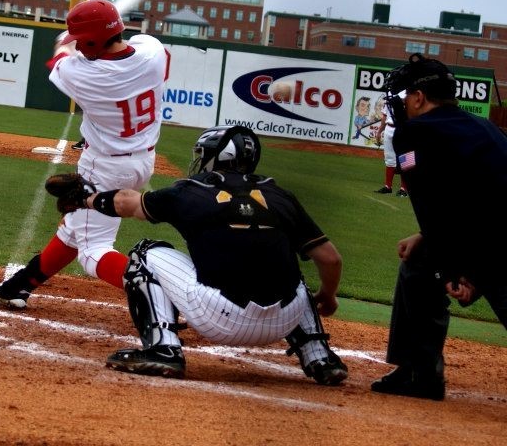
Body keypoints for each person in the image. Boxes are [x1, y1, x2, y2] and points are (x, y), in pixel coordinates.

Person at [43, 125, 348, 384]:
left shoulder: (191, 189)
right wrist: (329, 296)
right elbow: (330, 259)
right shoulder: (280, 194)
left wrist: (85, 199)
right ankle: (319, 356)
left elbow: (127, 202)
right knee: (289, 265)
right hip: (284, 319)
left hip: (219, 318)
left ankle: (163, 349)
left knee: (144, 253)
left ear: (216, 157)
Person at [0, 0, 169, 308]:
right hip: (142, 161)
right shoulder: (153, 54)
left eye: (83, 40)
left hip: (104, 166)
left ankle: (161, 296)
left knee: (93, 250)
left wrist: (64, 41)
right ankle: (17, 288)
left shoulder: (88, 76)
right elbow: (136, 45)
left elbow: (59, 59)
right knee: (73, 231)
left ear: (93, 39)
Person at [371, 53, 507, 401]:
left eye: (401, 97)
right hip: (490, 230)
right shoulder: (482, 126)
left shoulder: (415, 132)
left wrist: (456, 271)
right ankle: (417, 369)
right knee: (418, 262)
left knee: (428, 264)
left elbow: (431, 206)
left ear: (418, 97)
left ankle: (421, 373)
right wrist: (427, 241)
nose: (399, 105)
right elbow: (469, 196)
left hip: (493, 239)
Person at [373, 93, 409, 197]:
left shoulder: (408, 95)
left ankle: (404, 189)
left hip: (402, 128)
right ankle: (388, 186)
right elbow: (385, 116)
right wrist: (379, 132)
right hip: (389, 128)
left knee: (405, 159)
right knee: (389, 159)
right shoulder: (390, 97)